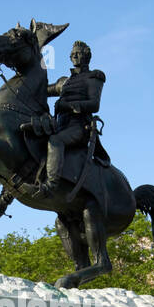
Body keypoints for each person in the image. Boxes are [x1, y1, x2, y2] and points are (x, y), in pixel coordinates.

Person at [35, 40, 105, 197]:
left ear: (87, 56)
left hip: (78, 127)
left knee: (55, 141)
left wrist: (68, 105)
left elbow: (94, 104)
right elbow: (42, 90)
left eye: (78, 53)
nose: (74, 56)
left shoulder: (93, 77)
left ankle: (51, 185)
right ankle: (5, 198)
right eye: (72, 54)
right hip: (60, 125)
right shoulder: (64, 81)